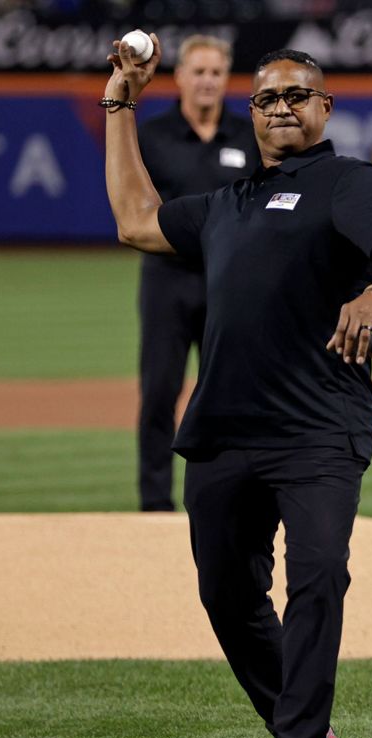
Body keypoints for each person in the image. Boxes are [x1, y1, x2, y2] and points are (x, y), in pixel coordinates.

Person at [103, 39, 372, 738]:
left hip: (319, 428)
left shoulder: (347, 185)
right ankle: (310, 737)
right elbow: (136, 221)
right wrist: (119, 102)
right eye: (268, 98)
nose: (282, 106)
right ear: (250, 112)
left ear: (325, 109)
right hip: (223, 429)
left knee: (318, 575)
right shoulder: (228, 204)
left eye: (298, 95)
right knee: (225, 592)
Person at [134, 34, 258, 511]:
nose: (207, 81)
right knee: (160, 392)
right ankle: (154, 504)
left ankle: (222, 499)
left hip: (228, 283)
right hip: (166, 280)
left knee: (227, 396)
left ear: (227, 79)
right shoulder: (153, 134)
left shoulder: (247, 134)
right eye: (199, 72)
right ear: (180, 76)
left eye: (216, 73)